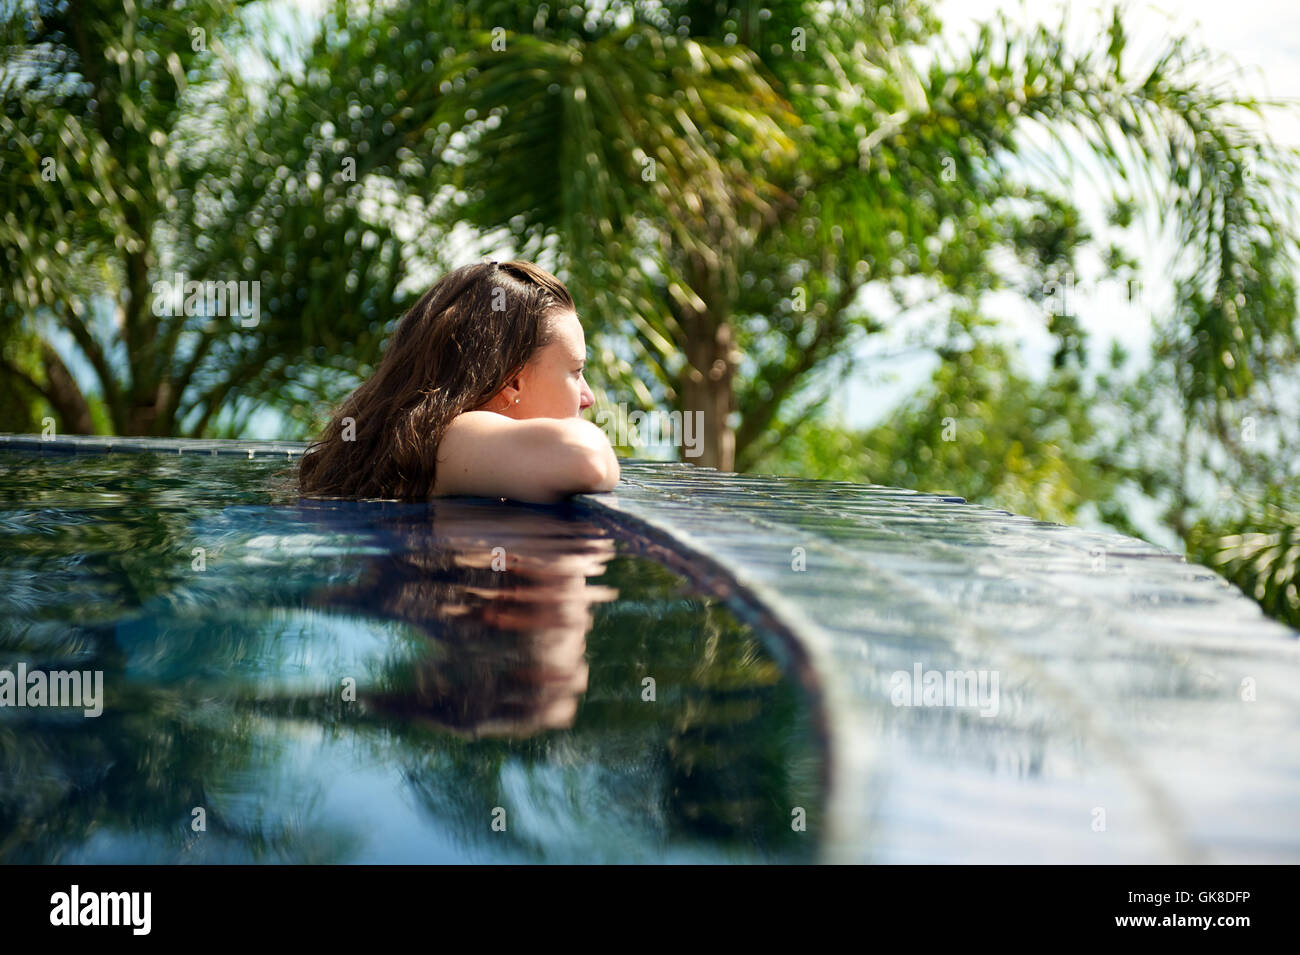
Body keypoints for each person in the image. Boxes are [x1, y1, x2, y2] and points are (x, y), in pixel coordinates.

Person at [298, 260, 619, 504]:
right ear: (512, 383)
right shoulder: (453, 434)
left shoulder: (420, 436)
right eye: (576, 372)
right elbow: (587, 458)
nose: (588, 397)